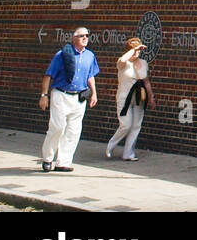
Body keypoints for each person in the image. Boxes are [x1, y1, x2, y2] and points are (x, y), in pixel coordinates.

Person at [39, 27, 99, 172]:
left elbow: (90, 76)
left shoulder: (90, 56)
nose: (85, 38)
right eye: (81, 36)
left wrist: (94, 94)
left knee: (74, 130)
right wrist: (44, 96)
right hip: (61, 94)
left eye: (87, 35)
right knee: (57, 127)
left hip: (79, 97)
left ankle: (63, 162)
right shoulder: (62, 55)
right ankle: (48, 158)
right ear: (74, 38)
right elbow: (48, 75)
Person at [106, 37, 156, 161]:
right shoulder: (123, 63)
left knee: (136, 125)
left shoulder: (143, 63)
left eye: (139, 51)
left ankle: (128, 153)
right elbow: (123, 59)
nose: (137, 54)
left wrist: (151, 97)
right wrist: (133, 50)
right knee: (125, 125)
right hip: (124, 97)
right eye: (135, 51)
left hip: (139, 97)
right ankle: (111, 145)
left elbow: (146, 81)